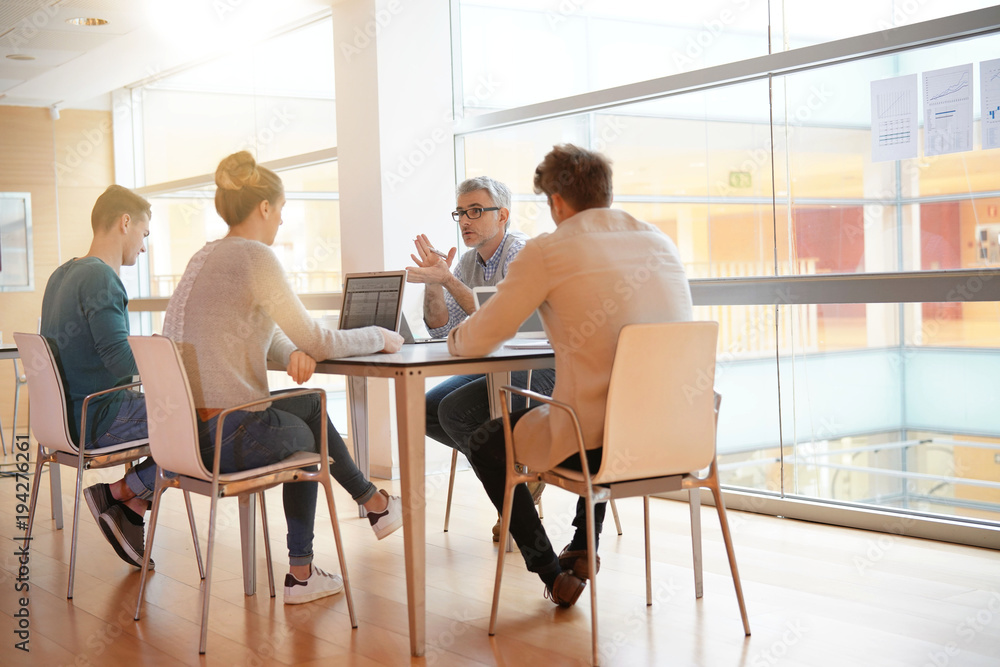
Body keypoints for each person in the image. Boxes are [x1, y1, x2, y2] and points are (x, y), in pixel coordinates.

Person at [448, 144, 693, 606]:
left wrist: (454, 339)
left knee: (486, 440)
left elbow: (481, 338)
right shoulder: (659, 241)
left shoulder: (549, 250)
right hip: (679, 437)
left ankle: (548, 569)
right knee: (601, 409)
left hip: (598, 443)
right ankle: (584, 544)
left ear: (557, 202)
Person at [162, 151, 404, 605]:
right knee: (305, 436)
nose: (281, 221)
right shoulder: (256, 256)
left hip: (182, 434)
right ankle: (307, 566)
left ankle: (373, 509)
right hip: (227, 437)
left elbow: (260, 335)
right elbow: (321, 341)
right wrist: (381, 336)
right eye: (283, 208)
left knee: (310, 404)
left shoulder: (205, 256)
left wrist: (292, 350)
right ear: (265, 207)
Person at [406, 176, 555, 540]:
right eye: (460, 213)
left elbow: (506, 316)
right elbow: (443, 328)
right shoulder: (470, 262)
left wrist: (449, 281)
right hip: (495, 368)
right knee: (427, 409)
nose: (465, 221)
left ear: (502, 215)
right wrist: (434, 282)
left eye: (475, 211)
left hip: (541, 368)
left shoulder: (522, 252)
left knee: (455, 411)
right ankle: (515, 476)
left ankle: (515, 494)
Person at [40, 185, 160, 569]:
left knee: (185, 421)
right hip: (98, 419)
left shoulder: (62, 274)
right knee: (194, 423)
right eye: (144, 234)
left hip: (63, 422)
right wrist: (161, 355)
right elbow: (120, 362)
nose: (143, 247)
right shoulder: (102, 279)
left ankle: (132, 507)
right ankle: (118, 494)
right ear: (126, 222)